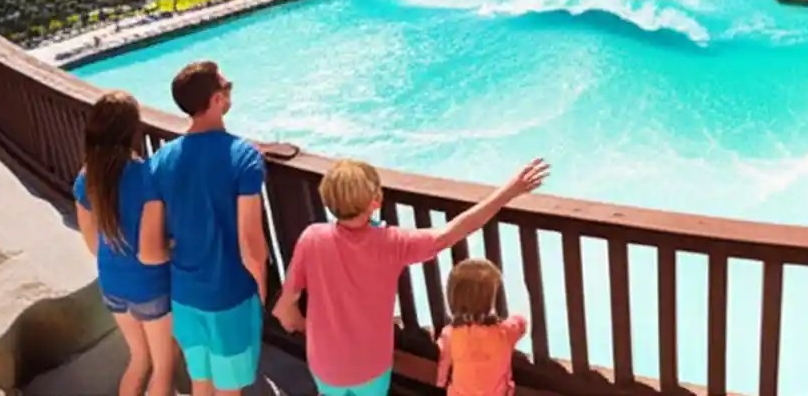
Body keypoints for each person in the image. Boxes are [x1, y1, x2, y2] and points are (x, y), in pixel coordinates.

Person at [273, 157, 550, 396]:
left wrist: (307, 327)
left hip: (325, 363)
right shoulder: (392, 243)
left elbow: (286, 311)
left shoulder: (312, 238)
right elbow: (451, 232)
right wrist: (508, 192)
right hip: (370, 367)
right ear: (376, 201)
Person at [142, 61, 268, 396]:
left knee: (202, 381)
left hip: (184, 295)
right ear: (215, 100)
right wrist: (262, 289)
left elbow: (150, 249)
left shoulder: (160, 160)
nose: (230, 92)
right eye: (227, 87)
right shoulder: (244, 157)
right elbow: (251, 242)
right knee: (229, 387)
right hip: (229, 295)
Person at [73, 91, 174, 396]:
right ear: (132, 131)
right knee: (164, 367)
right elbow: (152, 252)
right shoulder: (148, 176)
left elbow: (92, 243)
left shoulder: (86, 179)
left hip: (112, 284)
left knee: (139, 360)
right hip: (149, 286)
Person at [435, 259, 527, 396]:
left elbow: (444, 363)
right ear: (491, 301)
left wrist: (440, 382)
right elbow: (522, 322)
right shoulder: (505, 332)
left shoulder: (450, 334)